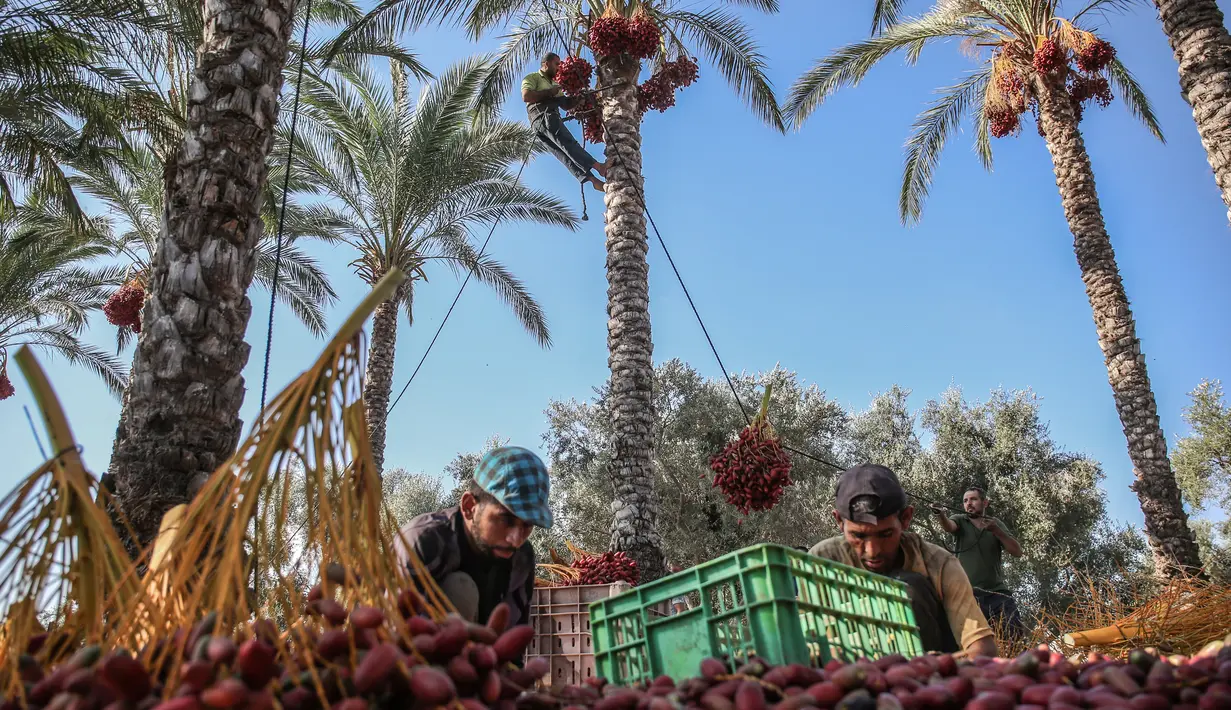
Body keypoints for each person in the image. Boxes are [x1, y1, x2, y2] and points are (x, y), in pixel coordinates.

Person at [809, 463, 998, 658]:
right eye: (858, 535)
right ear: (839, 521)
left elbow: (981, 648)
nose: (872, 552)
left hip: (929, 677)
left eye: (886, 534)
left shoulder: (939, 564)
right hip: (853, 674)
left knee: (909, 587)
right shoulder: (824, 560)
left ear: (906, 518)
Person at [393, 446, 552, 632]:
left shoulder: (521, 558)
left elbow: (512, 641)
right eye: (505, 520)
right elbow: (392, 633)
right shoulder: (423, 541)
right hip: (404, 650)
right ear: (469, 507)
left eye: (527, 525)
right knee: (460, 588)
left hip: (473, 656)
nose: (516, 539)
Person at [932, 487, 1025, 642]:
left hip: (998, 595)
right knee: (972, 643)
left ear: (985, 502)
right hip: (969, 595)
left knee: (1014, 640)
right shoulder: (960, 520)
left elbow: (1017, 552)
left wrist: (997, 531)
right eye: (965, 500)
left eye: (973, 499)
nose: (969, 503)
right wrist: (940, 514)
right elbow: (949, 526)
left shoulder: (995, 524)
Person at [522, 52, 608, 192]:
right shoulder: (533, 78)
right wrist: (550, 92)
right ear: (546, 64)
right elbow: (526, 96)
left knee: (563, 154)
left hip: (544, 122)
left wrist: (579, 99)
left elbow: (566, 105)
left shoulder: (555, 84)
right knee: (568, 143)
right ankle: (599, 167)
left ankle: (594, 181)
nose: (559, 68)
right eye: (556, 64)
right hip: (542, 116)